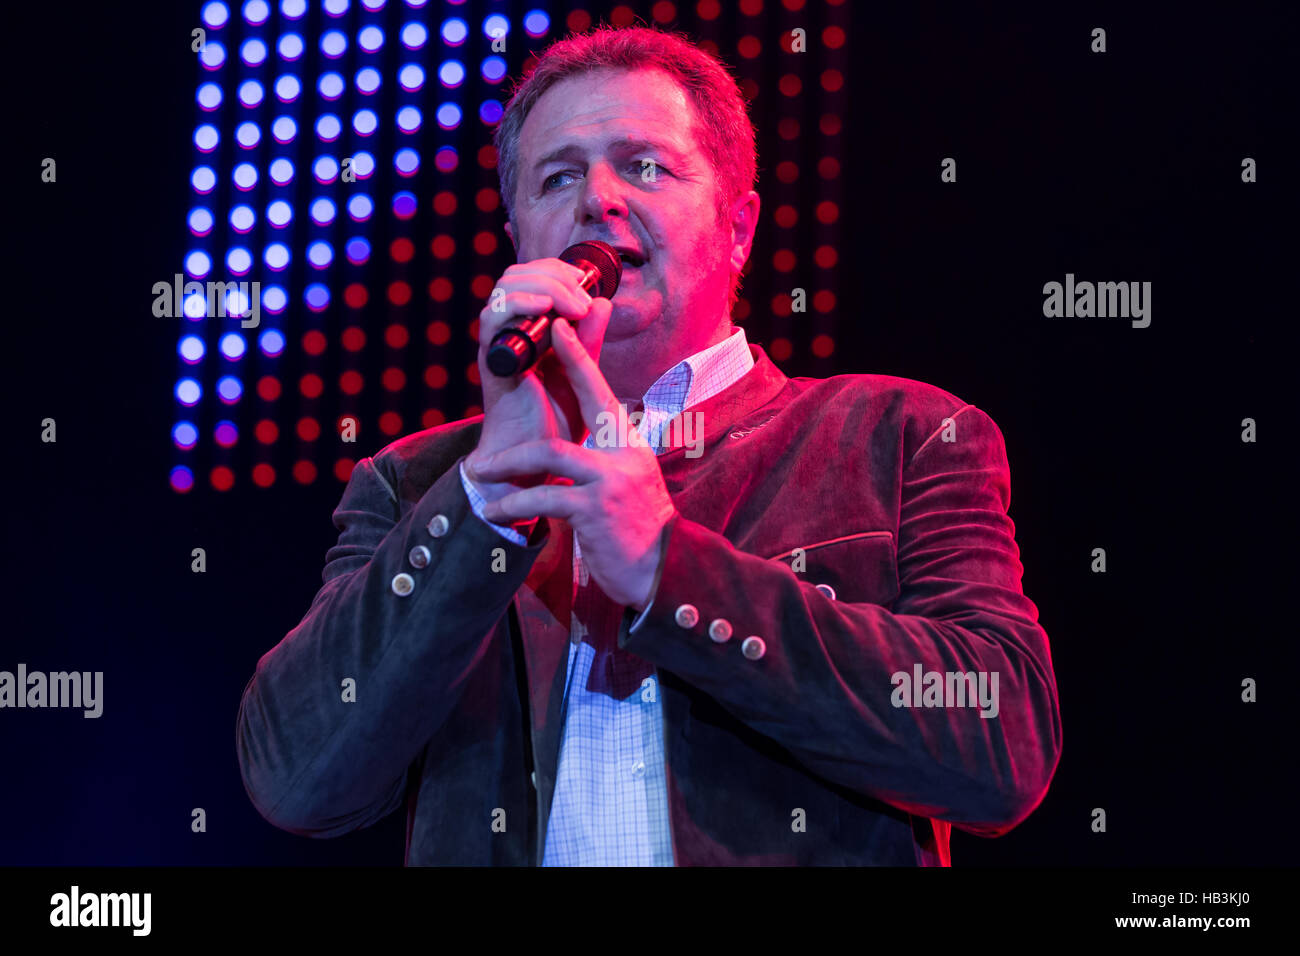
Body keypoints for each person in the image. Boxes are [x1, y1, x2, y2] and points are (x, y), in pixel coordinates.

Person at [236, 24, 1062, 866]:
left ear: (738, 229)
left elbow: (1004, 739)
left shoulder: (897, 435)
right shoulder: (420, 484)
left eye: (644, 166)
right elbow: (296, 777)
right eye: (558, 176)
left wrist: (672, 571)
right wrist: (487, 498)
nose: (599, 197)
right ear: (521, 239)